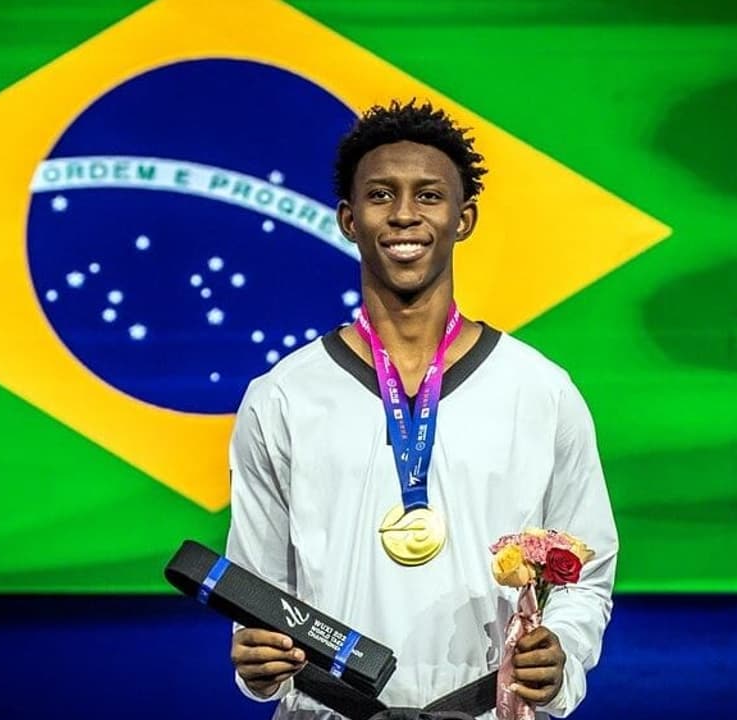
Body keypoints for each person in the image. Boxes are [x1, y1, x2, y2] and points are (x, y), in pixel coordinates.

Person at [225, 100, 619, 719]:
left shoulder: (539, 390)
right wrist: (256, 661)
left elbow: (586, 573)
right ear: (349, 220)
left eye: (428, 196)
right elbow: (259, 588)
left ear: (464, 219)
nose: (404, 214)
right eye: (381, 195)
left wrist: (562, 652)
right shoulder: (282, 396)